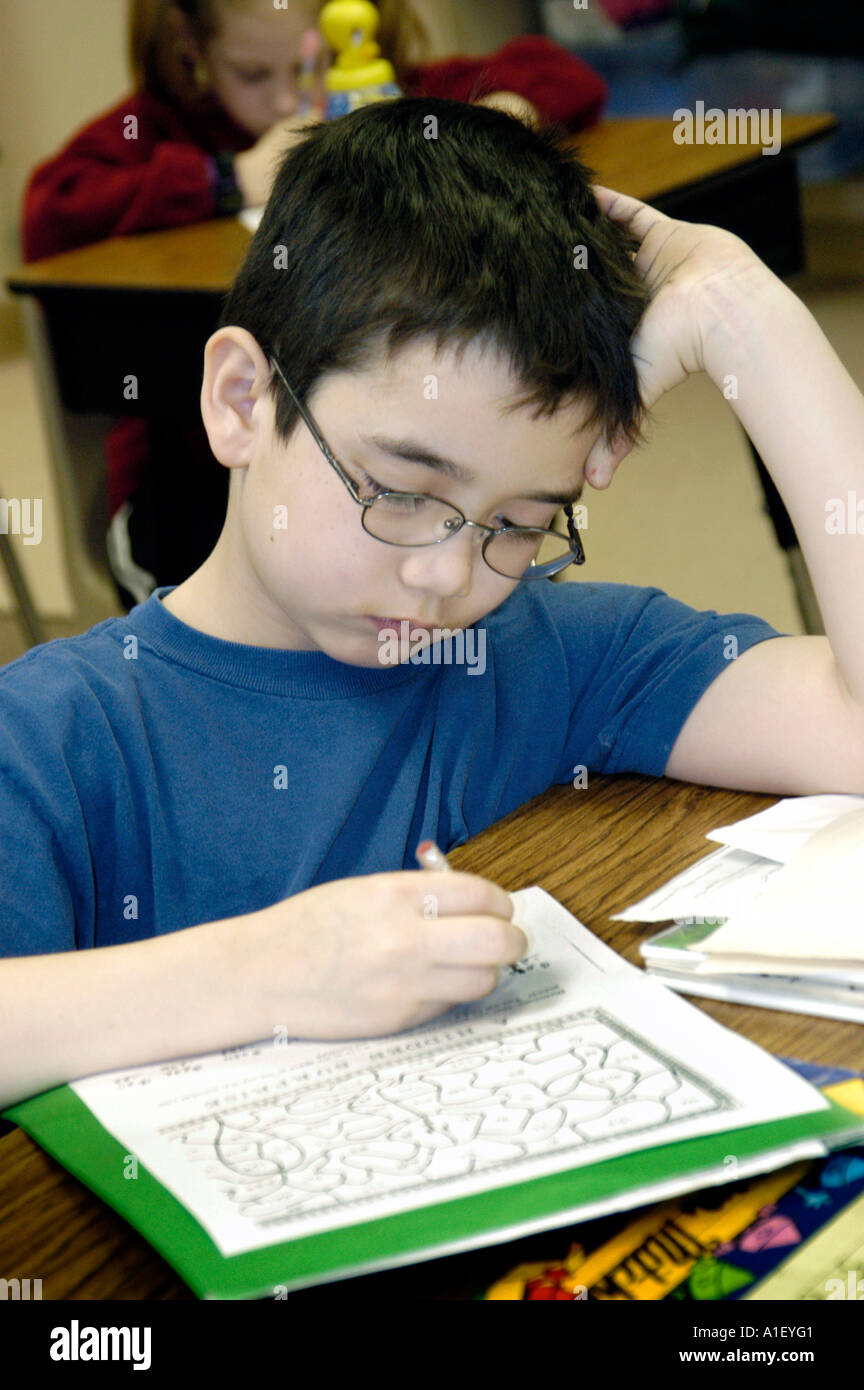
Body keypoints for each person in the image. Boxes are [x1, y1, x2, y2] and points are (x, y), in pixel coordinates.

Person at [4, 98, 863, 1112]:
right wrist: (270, 972)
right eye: (406, 493)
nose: (450, 578)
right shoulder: (55, 735)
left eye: (517, 523)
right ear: (243, 400)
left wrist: (746, 319)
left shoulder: (551, 654)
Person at [21, 0, 607, 610]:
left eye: (318, 64)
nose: (286, 101)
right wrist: (227, 177)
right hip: (188, 478)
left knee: (489, 594)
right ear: (188, 46)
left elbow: (565, 75)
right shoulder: (160, 126)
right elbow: (51, 209)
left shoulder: (388, 101)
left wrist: (502, 120)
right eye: (252, 75)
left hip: (418, 472)